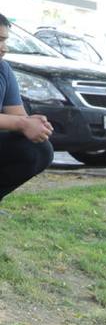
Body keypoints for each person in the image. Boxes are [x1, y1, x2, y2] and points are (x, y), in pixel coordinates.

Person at [0, 13, 54, 202]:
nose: (3, 48)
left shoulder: (3, 70)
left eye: (5, 40)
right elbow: (18, 121)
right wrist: (22, 123)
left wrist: (33, 124)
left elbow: (17, 116)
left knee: (37, 149)